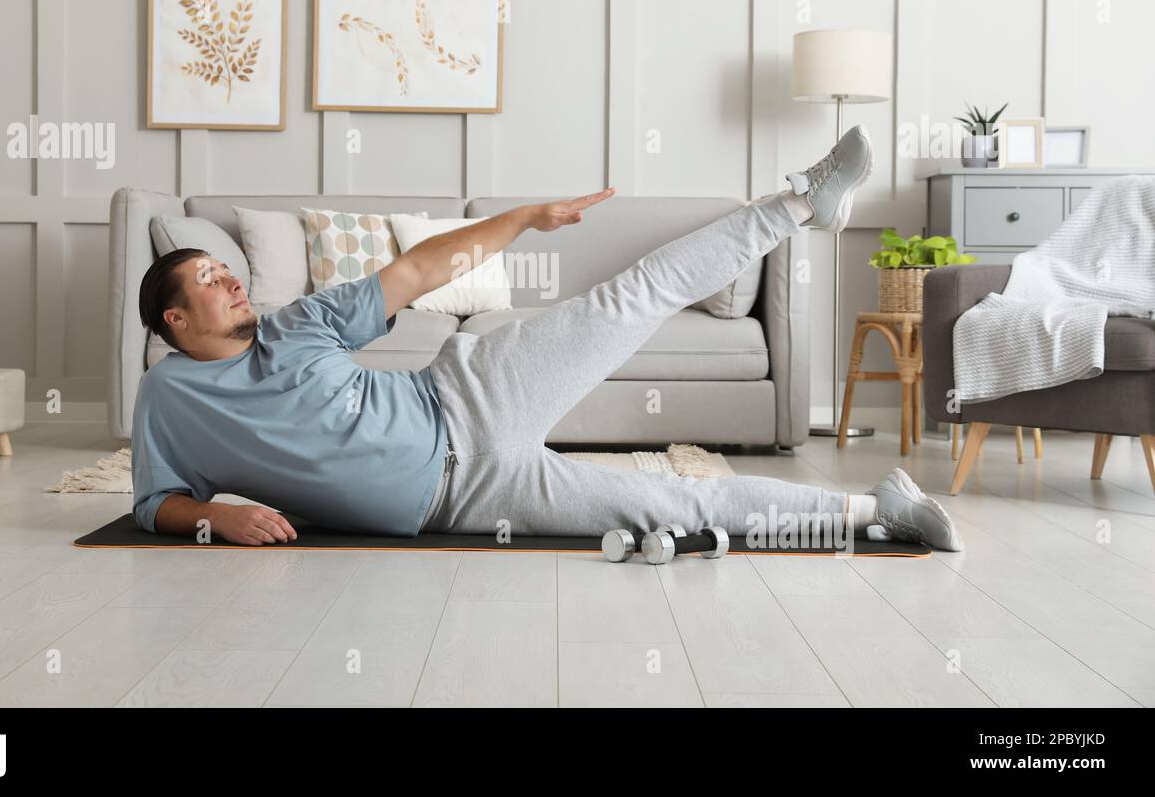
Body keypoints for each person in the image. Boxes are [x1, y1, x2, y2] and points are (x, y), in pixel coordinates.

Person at [131, 125, 963, 552]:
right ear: (173, 319)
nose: (227, 279)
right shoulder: (169, 398)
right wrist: (214, 520)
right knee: (673, 504)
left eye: (225, 269)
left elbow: (418, 272)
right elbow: (150, 504)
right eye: (205, 278)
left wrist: (523, 220)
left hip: (467, 394)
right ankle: (876, 513)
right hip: (466, 502)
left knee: (634, 296)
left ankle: (797, 202)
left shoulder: (298, 325)